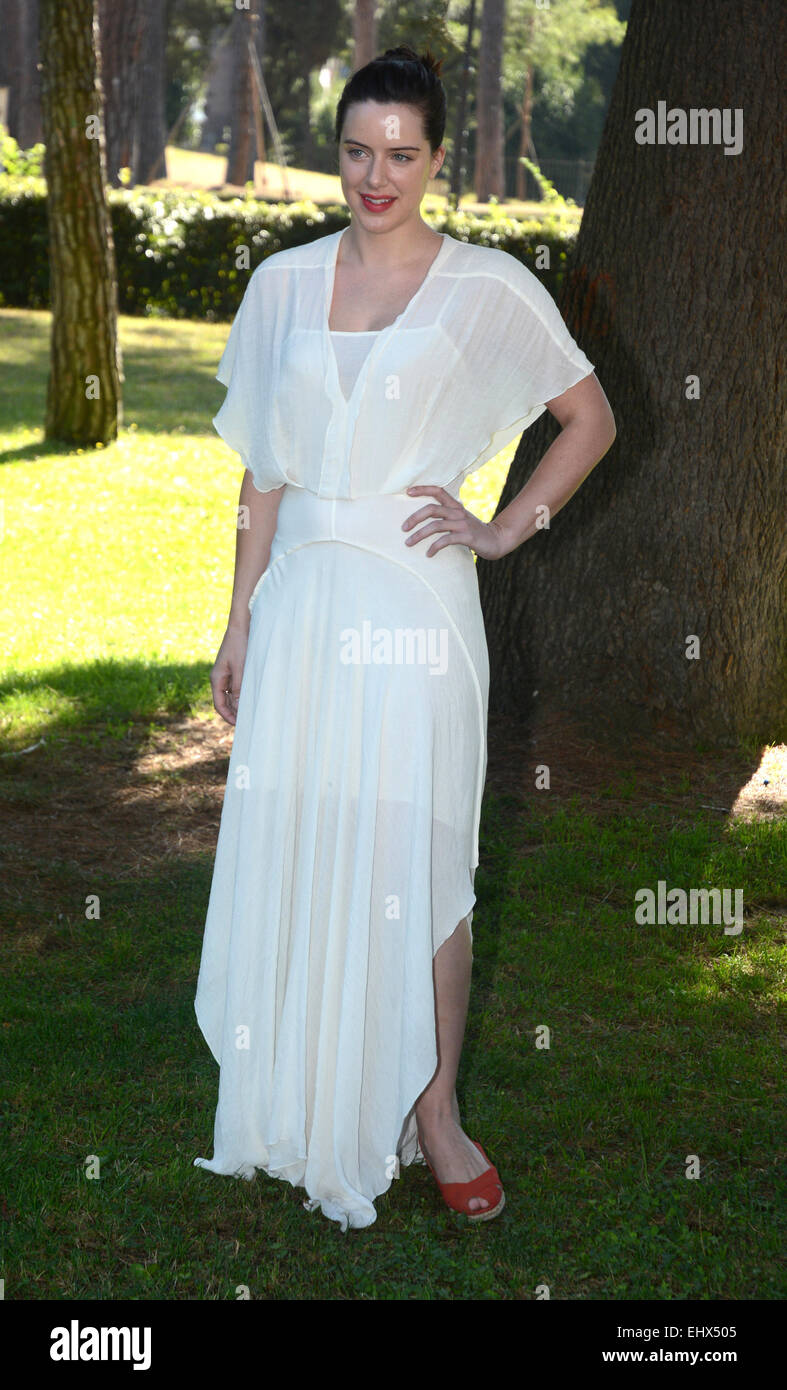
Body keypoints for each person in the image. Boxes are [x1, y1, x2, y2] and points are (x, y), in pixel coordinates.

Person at [193, 44, 616, 1232]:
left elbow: (588, 416)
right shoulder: (280, 283)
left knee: (425, 862)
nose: (374, 177)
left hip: (417, 611)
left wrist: (501, 530)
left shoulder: (485, 285)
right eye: (355, 152)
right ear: (336, 151)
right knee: (305, 837)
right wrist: (236, 617)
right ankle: (301, 1087)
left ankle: (436, 1110)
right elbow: (263, 470)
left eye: (401, 155)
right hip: (302, 611)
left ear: (437, 160)